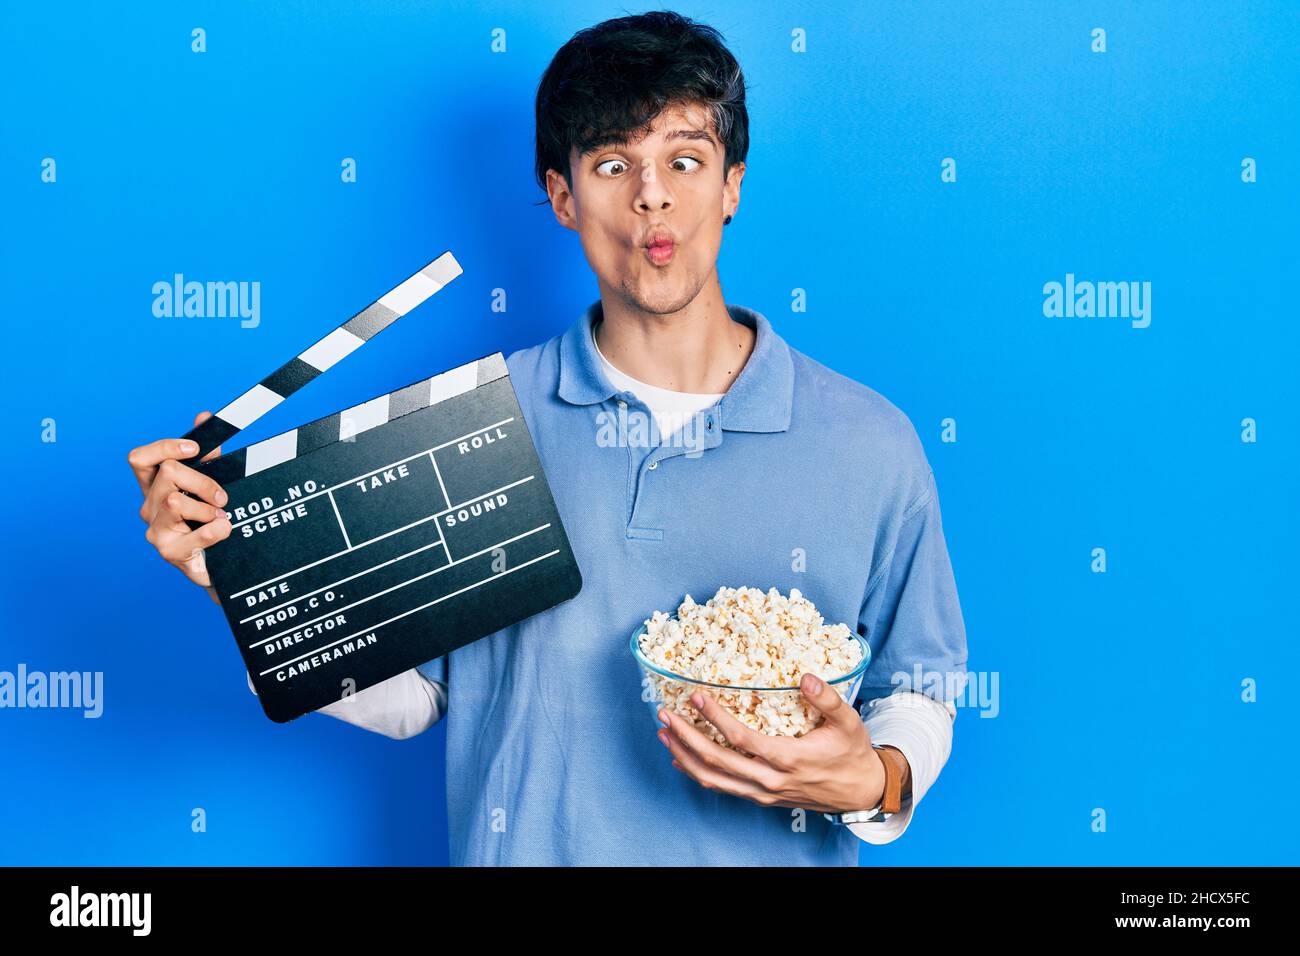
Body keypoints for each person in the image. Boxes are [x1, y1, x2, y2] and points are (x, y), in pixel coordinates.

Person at [127, 10, 968, 866]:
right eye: (612, 164)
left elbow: (918, 687)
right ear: (563, 195)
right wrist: (242, 575)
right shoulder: (466, 425)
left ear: (731, 185)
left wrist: (878, 782)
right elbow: (414, 697)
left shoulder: (870, 443)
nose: (652, 195)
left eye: (685, 160)